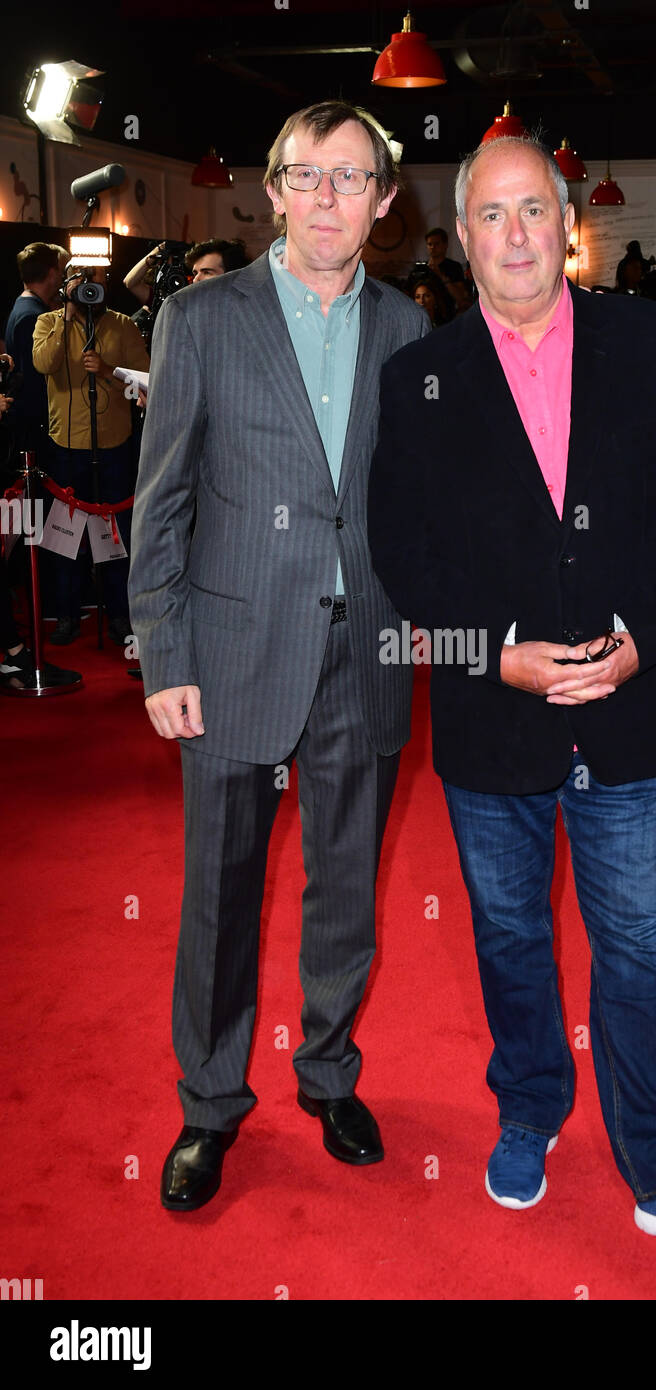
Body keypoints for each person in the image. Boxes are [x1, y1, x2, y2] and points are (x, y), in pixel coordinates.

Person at [368, 134, 656, 1250]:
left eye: (532, 211)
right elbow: (399, 549)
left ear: (566, 224)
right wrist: (487, 650)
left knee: (637, 944)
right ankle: (530, 1109)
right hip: (488, 710)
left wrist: (642, 640)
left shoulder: (652, 344)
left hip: (629, 705)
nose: (513, 235)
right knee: (508, 935)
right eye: (489, 216)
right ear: (462, 238)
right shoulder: (418, 376)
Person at [127, 100, 428, 1213]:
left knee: (344, 891)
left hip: (366, 654)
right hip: (234, 650)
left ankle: (328, 1072)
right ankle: (209, 1103)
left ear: (384, 203)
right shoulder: (201, 318)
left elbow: (422, 512)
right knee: (222, 893)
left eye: (351, 180)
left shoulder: (409, 330)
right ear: (272, 189)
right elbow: (158, 504)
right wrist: (161, 652)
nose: (325, 200)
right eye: (306, 176)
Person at [32, 264, 150, 646]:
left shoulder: (122, 325)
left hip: (114, 446)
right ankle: (66, 614)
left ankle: (118, 613)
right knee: (64, 539)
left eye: (95, 279)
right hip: (65, 446)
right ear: (68, 284)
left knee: (114, 537)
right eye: (81, 280)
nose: (89, 287)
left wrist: (107, 370)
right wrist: (67, 315)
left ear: (106, 284)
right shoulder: (48, 322)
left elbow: (145, 376)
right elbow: (42, 363)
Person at [3, 242, 69, 464]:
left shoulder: (24, 307)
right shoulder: (33, 316)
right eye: (61, 271)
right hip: (36, 426)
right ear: (52, 273)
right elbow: (36, 378)